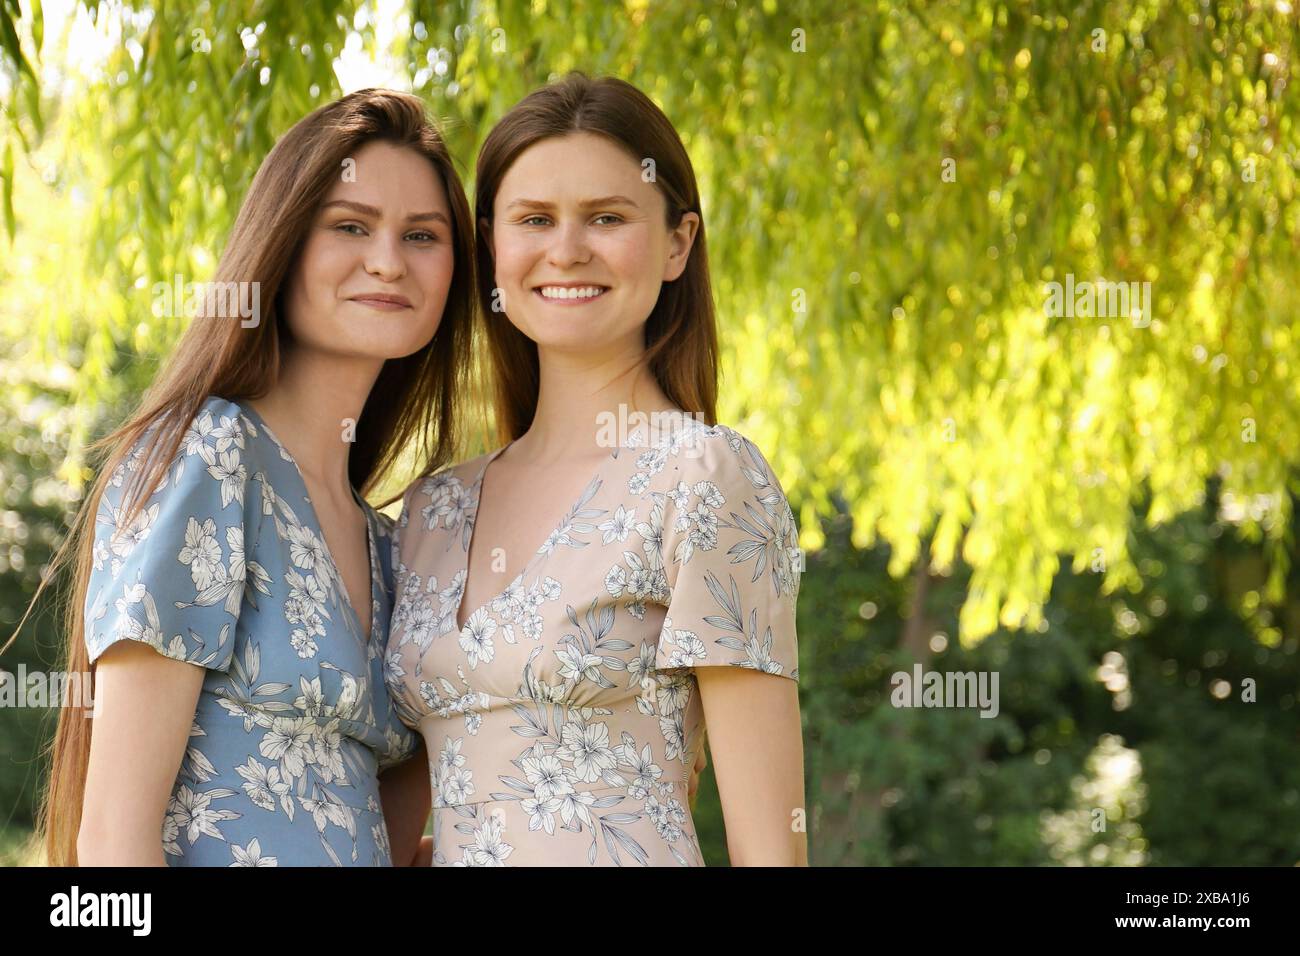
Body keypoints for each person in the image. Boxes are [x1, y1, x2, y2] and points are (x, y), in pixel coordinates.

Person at [17, 89, 475, 866]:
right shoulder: (212, 456)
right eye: (351, 226)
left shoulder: (391, 542)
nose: (389, 260)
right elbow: (112, 843)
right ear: (285, 242)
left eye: (422, 235)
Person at [385, 73, 807, 866]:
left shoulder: (706, 479)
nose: (567, 249)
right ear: (492, 250)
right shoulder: (433, 510)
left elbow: (770, 850)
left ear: (679, 243)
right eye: (534, 219)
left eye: (607, 217)